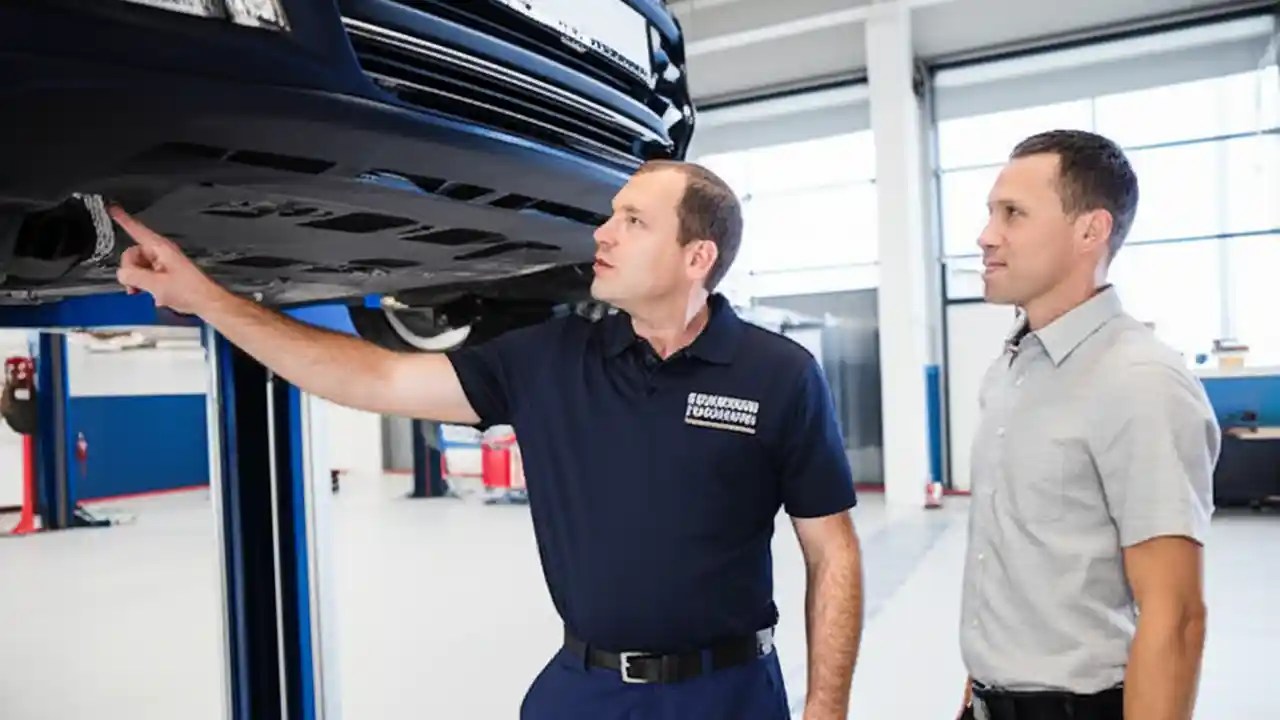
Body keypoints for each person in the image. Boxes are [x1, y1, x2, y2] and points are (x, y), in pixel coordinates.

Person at [109, 159, 865, 720]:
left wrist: (826, 711)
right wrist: (203, 295)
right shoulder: (552, 358)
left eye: (633, 220)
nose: (602, 231)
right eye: (611, 212)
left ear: (697, 258)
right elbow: (376, 380)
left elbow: (831, 551)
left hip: (729, 697)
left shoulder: (779, 375)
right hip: (585, 693)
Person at [955, 130, 1219, 720]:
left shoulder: (1140, 379)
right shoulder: (1012, 369)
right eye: (990, 213)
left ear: (1089, 231)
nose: (986, 235)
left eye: (1013, 214)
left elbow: (1174, 617)